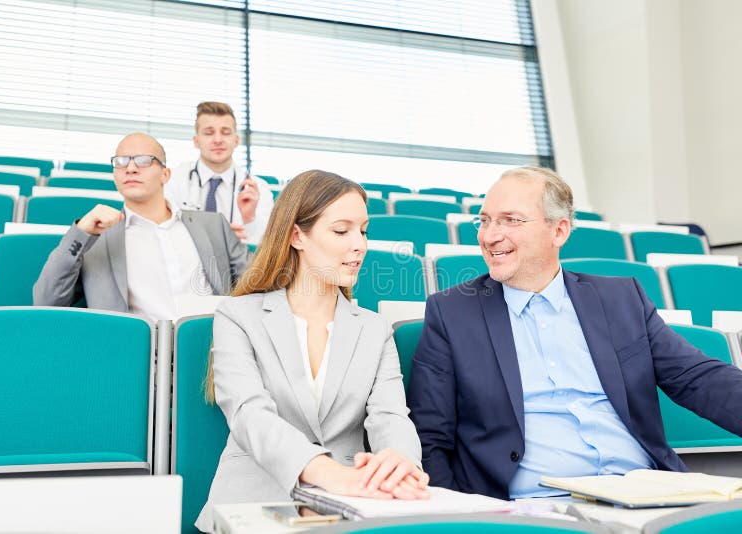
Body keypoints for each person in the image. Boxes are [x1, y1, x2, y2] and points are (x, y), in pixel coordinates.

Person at [407, 166, 742, 501]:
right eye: (484, 220)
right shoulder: (452, 313)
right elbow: (430, 437)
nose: (489, 236)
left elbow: (698, 378)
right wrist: (461, 514)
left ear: (559, 231)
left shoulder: (622, 299)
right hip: (533, 506)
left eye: (510, 220)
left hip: (643, 495)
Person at [196, 170, 429, 532]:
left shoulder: (375, 328)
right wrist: (329, 473)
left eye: (364, 231)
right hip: (252, 503)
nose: (360, 245)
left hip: (350, 506)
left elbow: (391, 417)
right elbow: (249, 414)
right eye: (342, 231)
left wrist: (401, 463)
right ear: (297, 236)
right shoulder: (237, 315)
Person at [33, 133, 248, 322]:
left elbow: (257, 282)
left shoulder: (213, 225)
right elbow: (46, 302)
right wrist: (81, 233)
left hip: (212, 345)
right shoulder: (94, 239)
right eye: (121, 162)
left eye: (144, 160)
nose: (131, 168)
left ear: (165, 174)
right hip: (134, 350)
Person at [166, 101, 274, 244]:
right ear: (196, 141)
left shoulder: (258, 188)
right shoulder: (173, 179)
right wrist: (213, 235)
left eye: (226, 132)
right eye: (209, 133)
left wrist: (249, 219)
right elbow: (163, 230)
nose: (218, 140)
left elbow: (268, 244)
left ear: (236, 140)